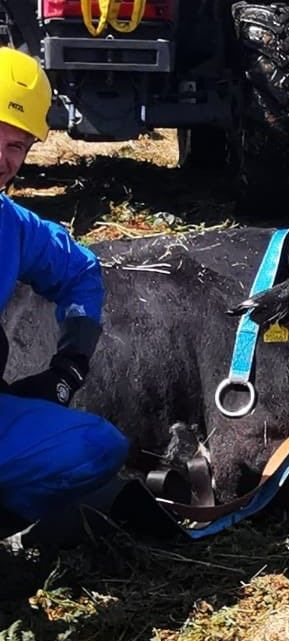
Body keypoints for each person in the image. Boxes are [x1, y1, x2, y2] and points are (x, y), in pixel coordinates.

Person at [0, 47, 130, 602]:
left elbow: (81, 272)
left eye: (16, 145)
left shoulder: (12, 227)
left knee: (95, 446)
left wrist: (68, 369)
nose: (2, 158)